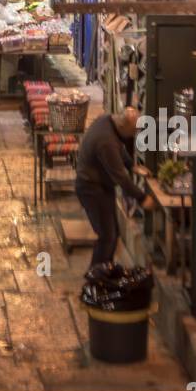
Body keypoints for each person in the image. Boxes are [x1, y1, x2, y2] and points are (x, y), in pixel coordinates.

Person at [75, 107, 156, 270]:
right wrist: (142, 198)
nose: (134, 135)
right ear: (123, 126)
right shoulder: (106, 141)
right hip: (91, 189)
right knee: (107, 236)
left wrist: (132, 165)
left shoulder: (108, 122)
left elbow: (120, 148)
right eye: (133, 131)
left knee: (113, 233)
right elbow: (120, 177)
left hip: (101, 186)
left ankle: (105, 271)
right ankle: (96, 278)